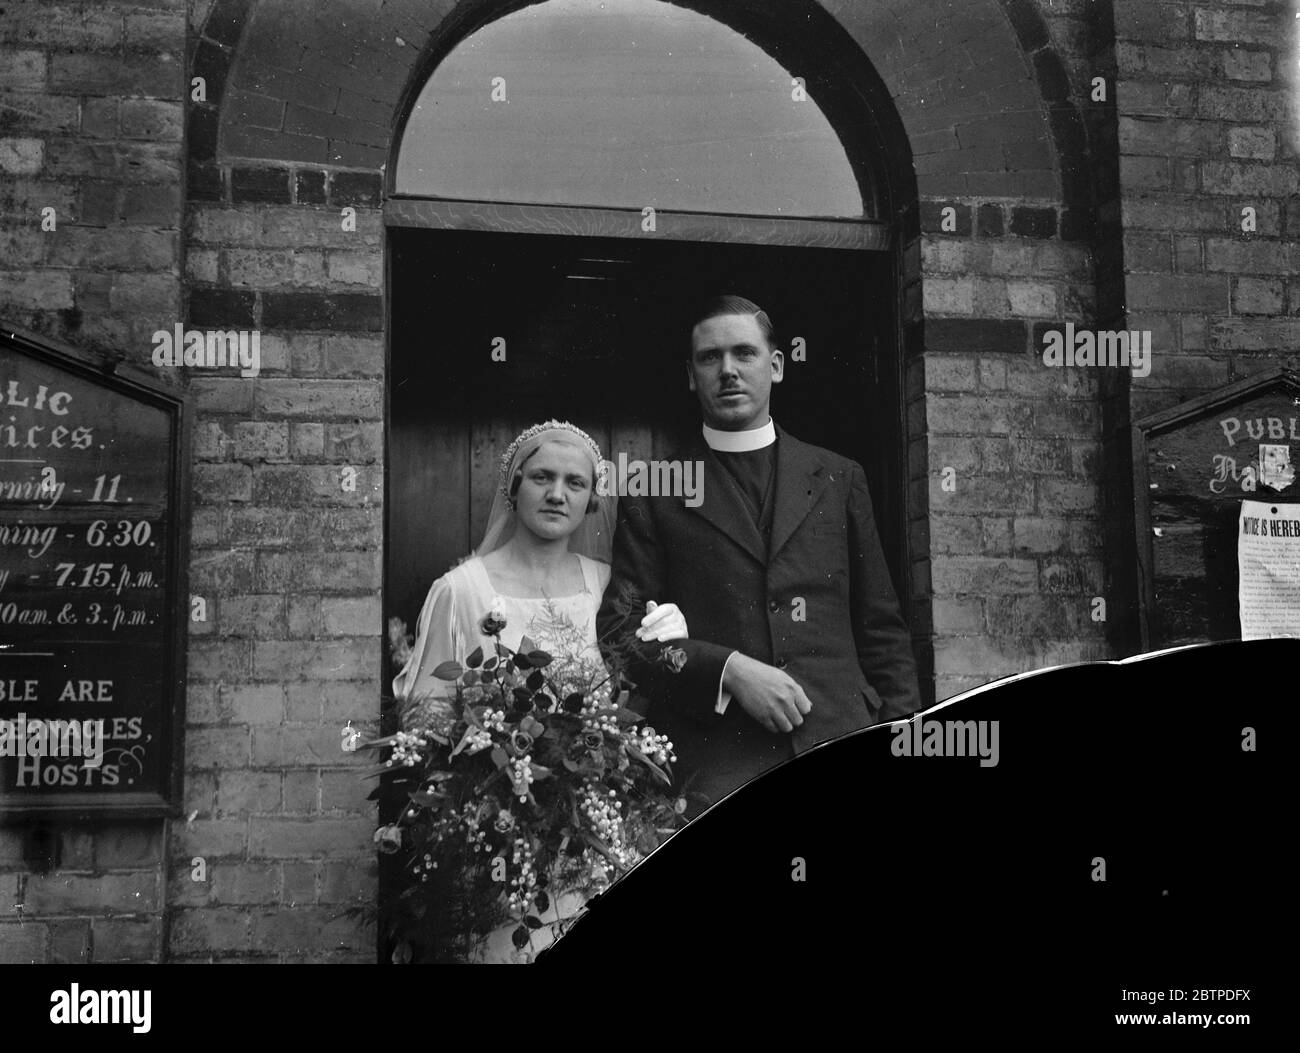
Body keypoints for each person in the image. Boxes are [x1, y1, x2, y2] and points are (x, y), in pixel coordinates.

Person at [597, 295, 922, 816]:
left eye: (744, 353)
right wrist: (728, 670)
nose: (728, 370)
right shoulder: (653, 488)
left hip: (840, 738)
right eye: (710, 357)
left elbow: (882, 629)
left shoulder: (839, 478)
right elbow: (619, 635)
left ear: (775, 366)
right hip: (717, 771)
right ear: (690, 375)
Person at [391, 419, 690, 962]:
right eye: (542, 478)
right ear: (514, 488)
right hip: (499, 845)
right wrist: (488, 778)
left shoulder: (610, 586)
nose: (557, 495)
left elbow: (640, 698)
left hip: (597, 838)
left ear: (591, 500)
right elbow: (425, 718)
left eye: (575, 483)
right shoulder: (461, 589)